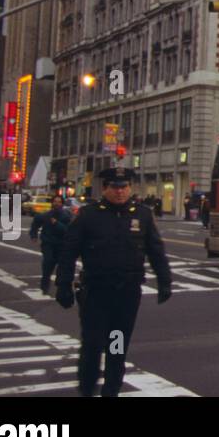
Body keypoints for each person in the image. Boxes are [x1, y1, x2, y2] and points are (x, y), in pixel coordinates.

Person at [55, 167, 173, 398]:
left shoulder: (141, 214)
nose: (120, 192)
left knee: (116, 346)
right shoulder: (89, 215)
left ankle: (111, 391)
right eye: (115, 187)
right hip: (96, 292)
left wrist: (165, 281)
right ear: (105, 188)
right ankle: (87, 389)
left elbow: (156, 251)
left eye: (124, 187)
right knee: (92, 345)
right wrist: (63, 284)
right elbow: (68, 252)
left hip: (126, 294)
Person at [29, 197, 72, 295]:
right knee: (47, 263)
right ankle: (44, 285)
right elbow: (35, 223)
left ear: (62, 204)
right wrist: (33, 235)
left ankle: (60, 285)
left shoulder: (66, 216)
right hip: (48, 244)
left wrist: (56, 223)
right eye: (55, 202)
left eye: (59, 202)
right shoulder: (46, 215)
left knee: (62, 267)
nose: (57, 204)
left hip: (61, 245)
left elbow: (68, 230)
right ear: (52, 203)